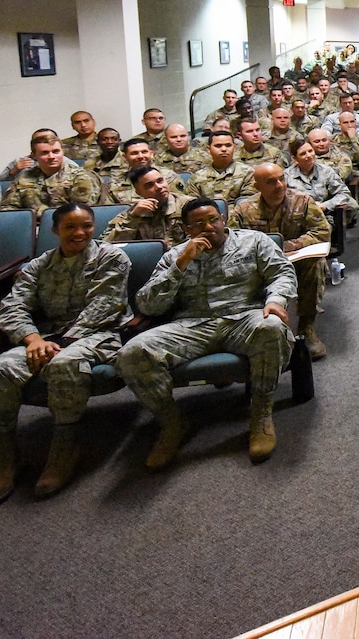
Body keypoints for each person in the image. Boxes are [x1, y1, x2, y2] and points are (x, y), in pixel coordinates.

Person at [116, 198, 297, 468]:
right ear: (187, 229)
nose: (209, 227)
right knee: (132, 353)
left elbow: (282, 273)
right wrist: (181, 265)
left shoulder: (254, 241)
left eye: (214, 219)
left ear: (223, 219)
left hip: (242, 317)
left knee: (271, 327)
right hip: (191, 325)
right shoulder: (174, 255)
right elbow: (148, 304)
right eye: (199, 224)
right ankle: (171, 424)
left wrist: (275, 300)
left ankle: (260, 414)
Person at [0, 203, 132, 506]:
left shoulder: (111, 257)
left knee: (64, 364)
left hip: (101, 334)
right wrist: (32, 339)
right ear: (55, 230)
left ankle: (64, 448)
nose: (80, 232)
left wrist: (60, 342)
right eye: (70, 227)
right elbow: (12, 307)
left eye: (86, 225)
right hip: (45, 337)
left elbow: (104, 307)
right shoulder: (39, 265)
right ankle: (6, 459)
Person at [230, 163, 333, 359]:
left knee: (316, 263)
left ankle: (306, 327)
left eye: (282, 179)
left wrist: (290, 246)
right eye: (271, 182)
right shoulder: (244, 210)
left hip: (295, 259)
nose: (279, 185)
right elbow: (231, 242)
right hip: (259, 264)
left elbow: (322, 232)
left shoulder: (302, 202)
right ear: (257, 186)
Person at [102, 165, 191, 247]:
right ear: (138, 192)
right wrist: (132, 219)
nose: (159, 187)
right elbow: (106, 245)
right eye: (149, 185)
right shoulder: (133, 213)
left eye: (160, 181)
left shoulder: (189, 205)